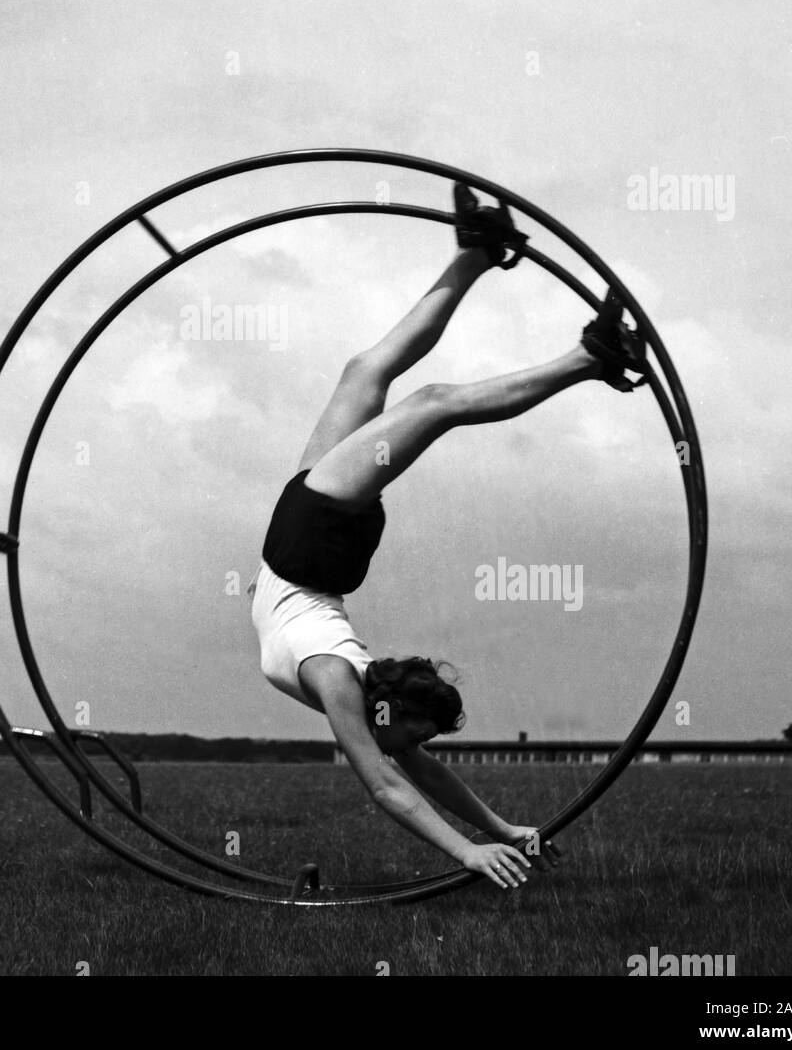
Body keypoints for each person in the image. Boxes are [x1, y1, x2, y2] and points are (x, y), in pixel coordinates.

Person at [249, 184, 646, 889]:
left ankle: (496, 270)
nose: (419, 750)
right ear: (393, 712)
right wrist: (478, 844)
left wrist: (483, 841)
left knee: (392, 385)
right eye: (420, 736)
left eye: (419, 739)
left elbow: (392, 784)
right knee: (415, 395)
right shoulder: (359, 694)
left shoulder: (340, 685)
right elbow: (403, 779)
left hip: (307, 540)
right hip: (311, 538)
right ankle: (586, 349)